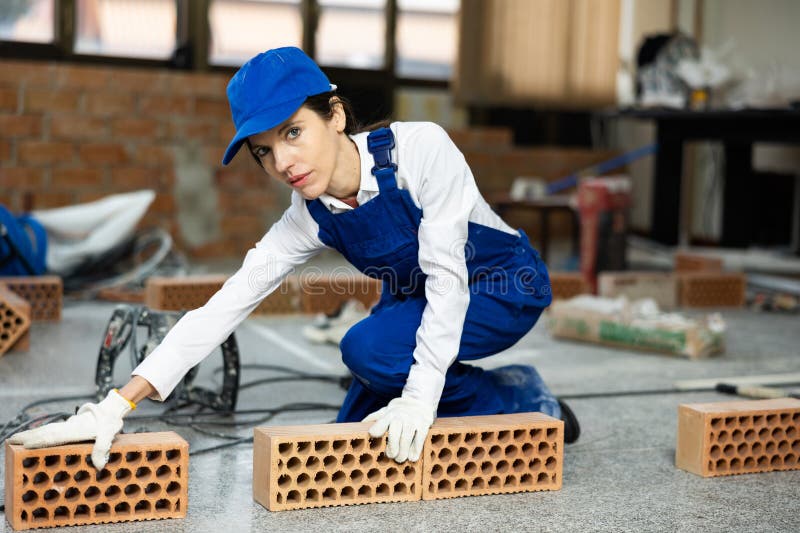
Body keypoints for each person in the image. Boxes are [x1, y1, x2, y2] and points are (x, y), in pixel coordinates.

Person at [9, 47, 578, 469]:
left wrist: (421, 397)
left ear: (335, 115)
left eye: (293, 132)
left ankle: (523, 396)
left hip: (503, 284)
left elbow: (449, 280)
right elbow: (224, 306)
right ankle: (464, 394)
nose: (283, 161)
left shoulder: (421, 151)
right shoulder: (308, 215)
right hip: (425, 296)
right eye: (264, 151)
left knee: (370, 350)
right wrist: (115, 404)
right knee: (355, 430)